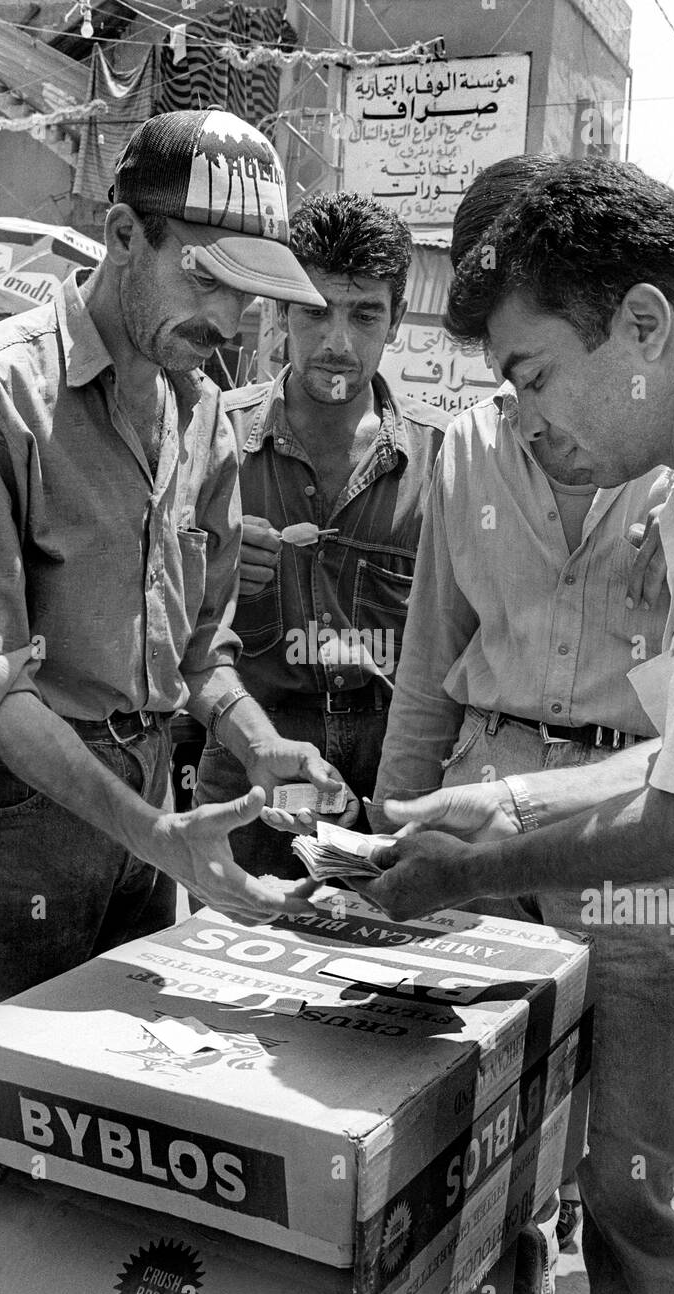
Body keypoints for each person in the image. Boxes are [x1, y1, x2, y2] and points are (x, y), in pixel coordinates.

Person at [0, 109, 337, 1283]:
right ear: (122, 233)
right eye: (212, 279)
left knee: (102, 1141)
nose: (237, 319)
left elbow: (200, 649)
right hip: (5, 823)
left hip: (149, 814)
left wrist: (254, 736)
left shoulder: (203, 412)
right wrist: (155, 829)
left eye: (257, 295)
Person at [362, 156, 674, 1294]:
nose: (527, 411)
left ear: (645, 326)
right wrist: (499, 796)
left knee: (645, 1195)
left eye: (536, 372)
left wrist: (478, 856)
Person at [194, 191, 448, 875]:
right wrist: (207, 569)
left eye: (364, 314)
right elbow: (154, 616)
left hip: (393, 772)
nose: (337, 342)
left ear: (394, 322)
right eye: (314, 310)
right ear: (280, 312)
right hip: (252, 759)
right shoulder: (211, 436)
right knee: (231, 964)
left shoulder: (446, 461)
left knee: (384, 971)